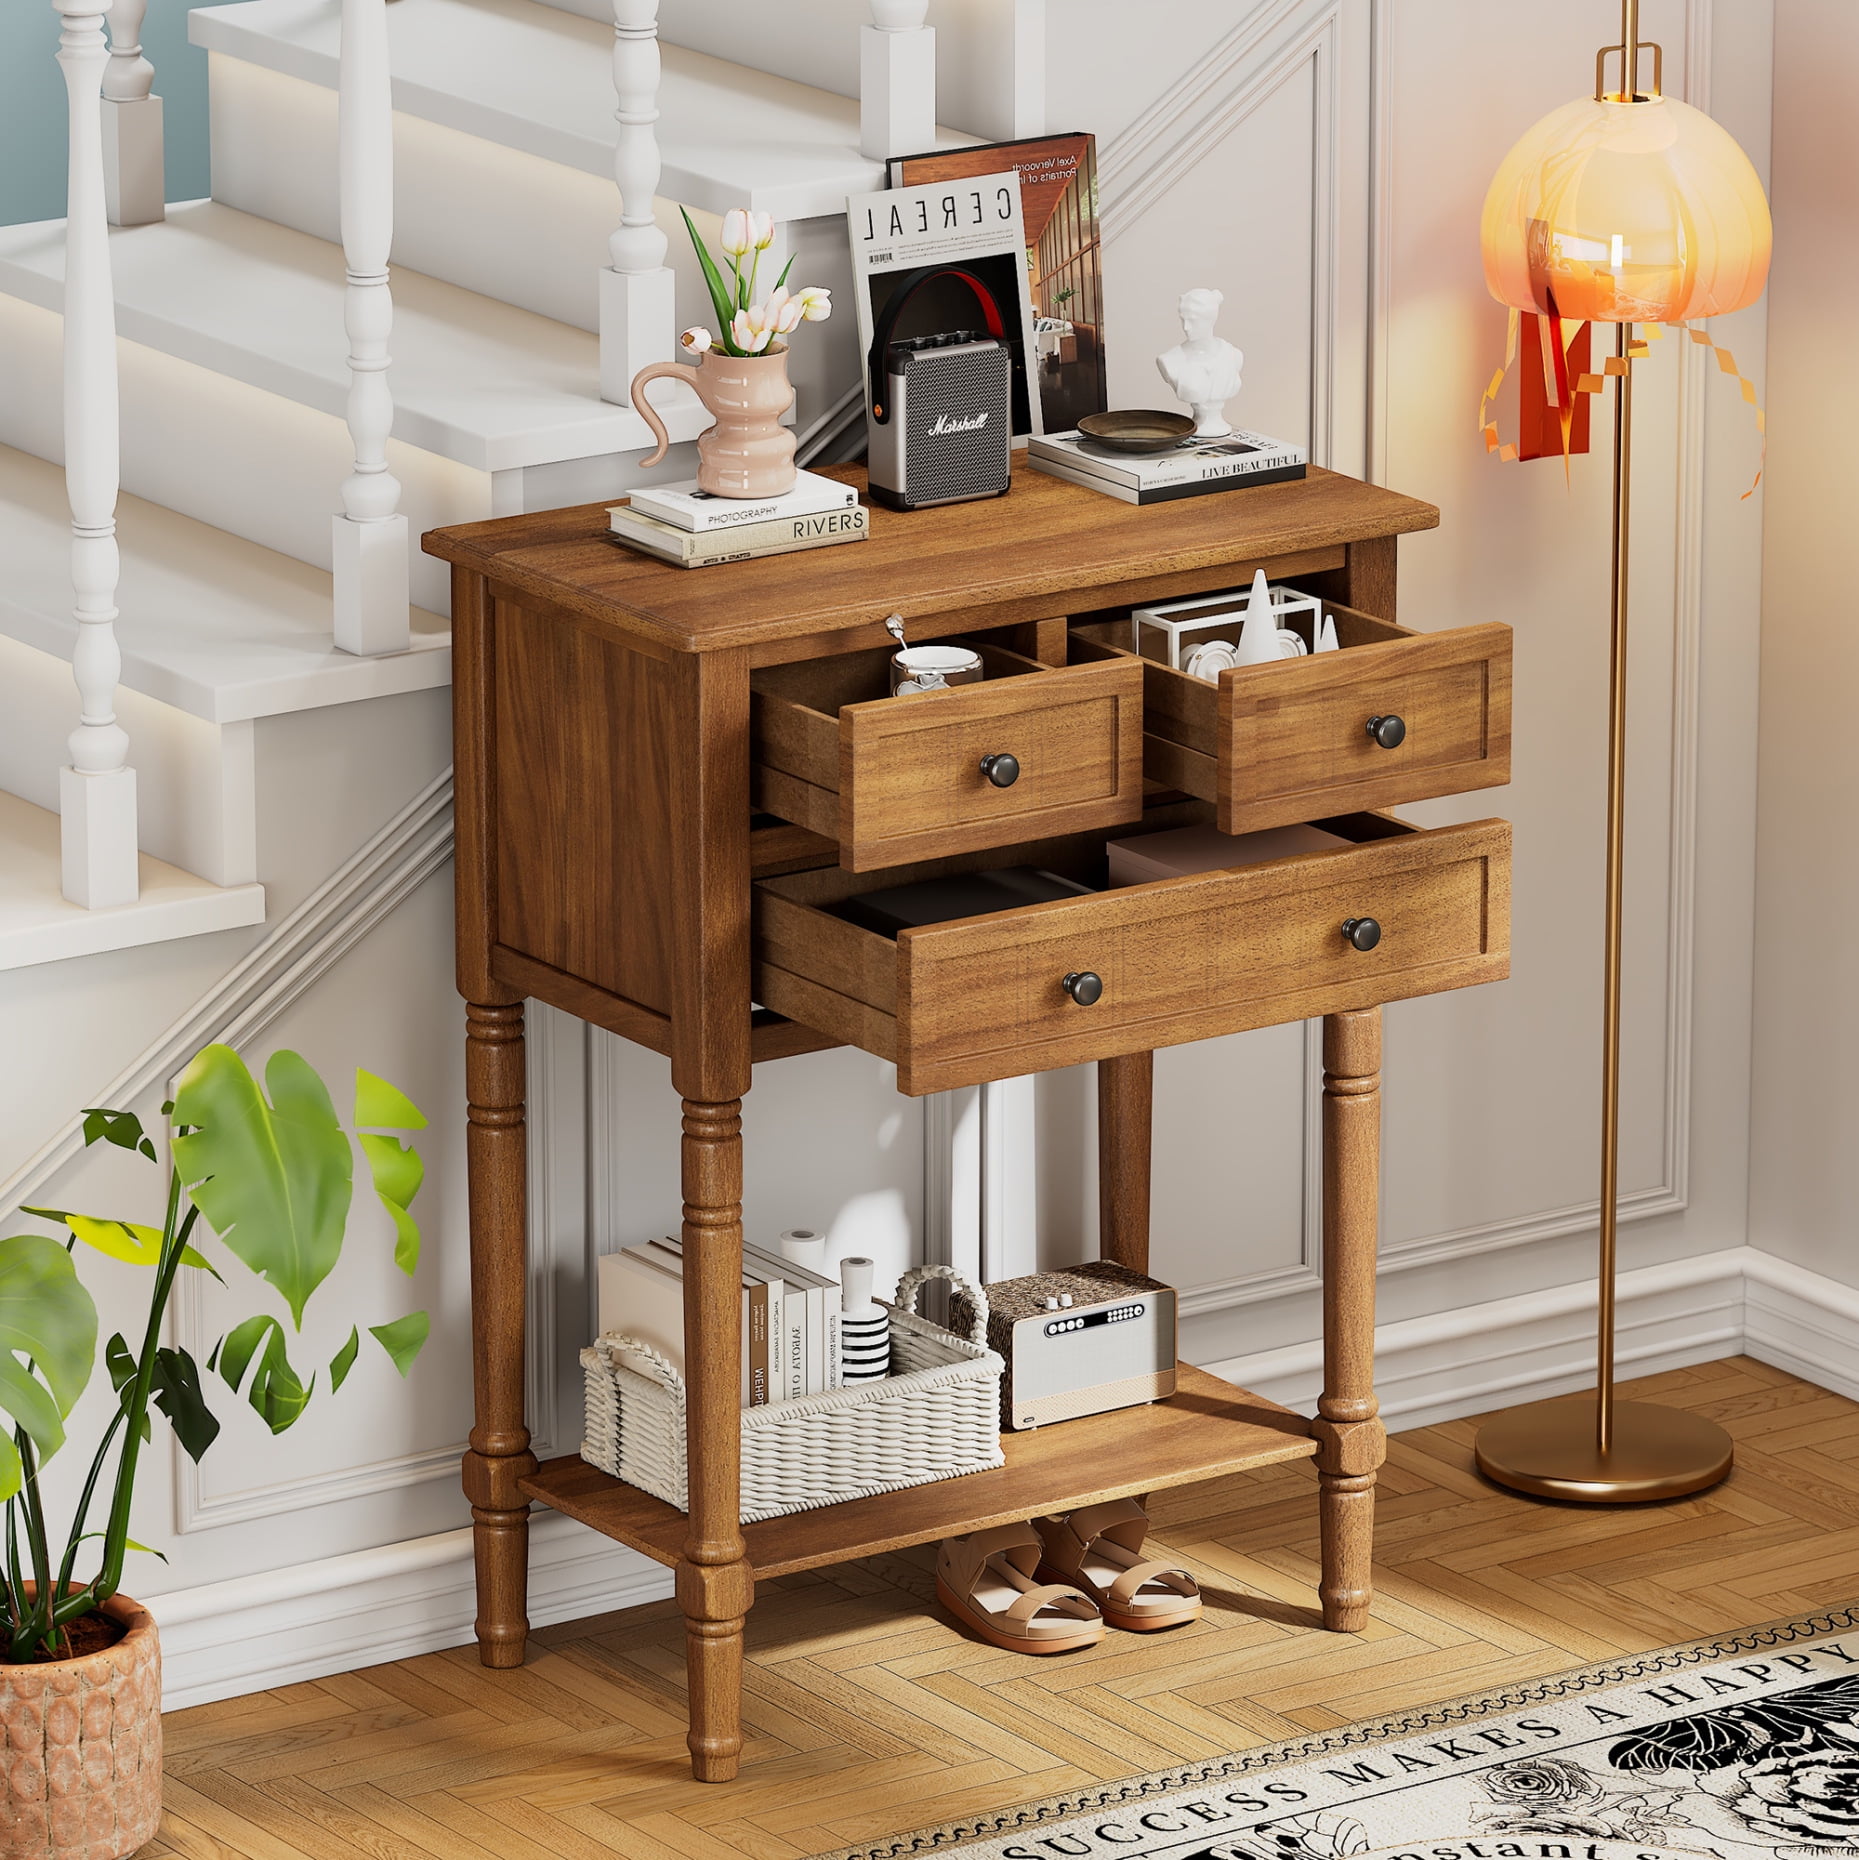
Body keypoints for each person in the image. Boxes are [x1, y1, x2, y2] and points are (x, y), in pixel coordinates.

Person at [1157, 287, 1243, 436]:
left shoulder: (1233, 355)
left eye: (1193, 321)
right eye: (1183, 320)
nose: (1186, 327)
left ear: (1210, 319)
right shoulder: (1170, 360)